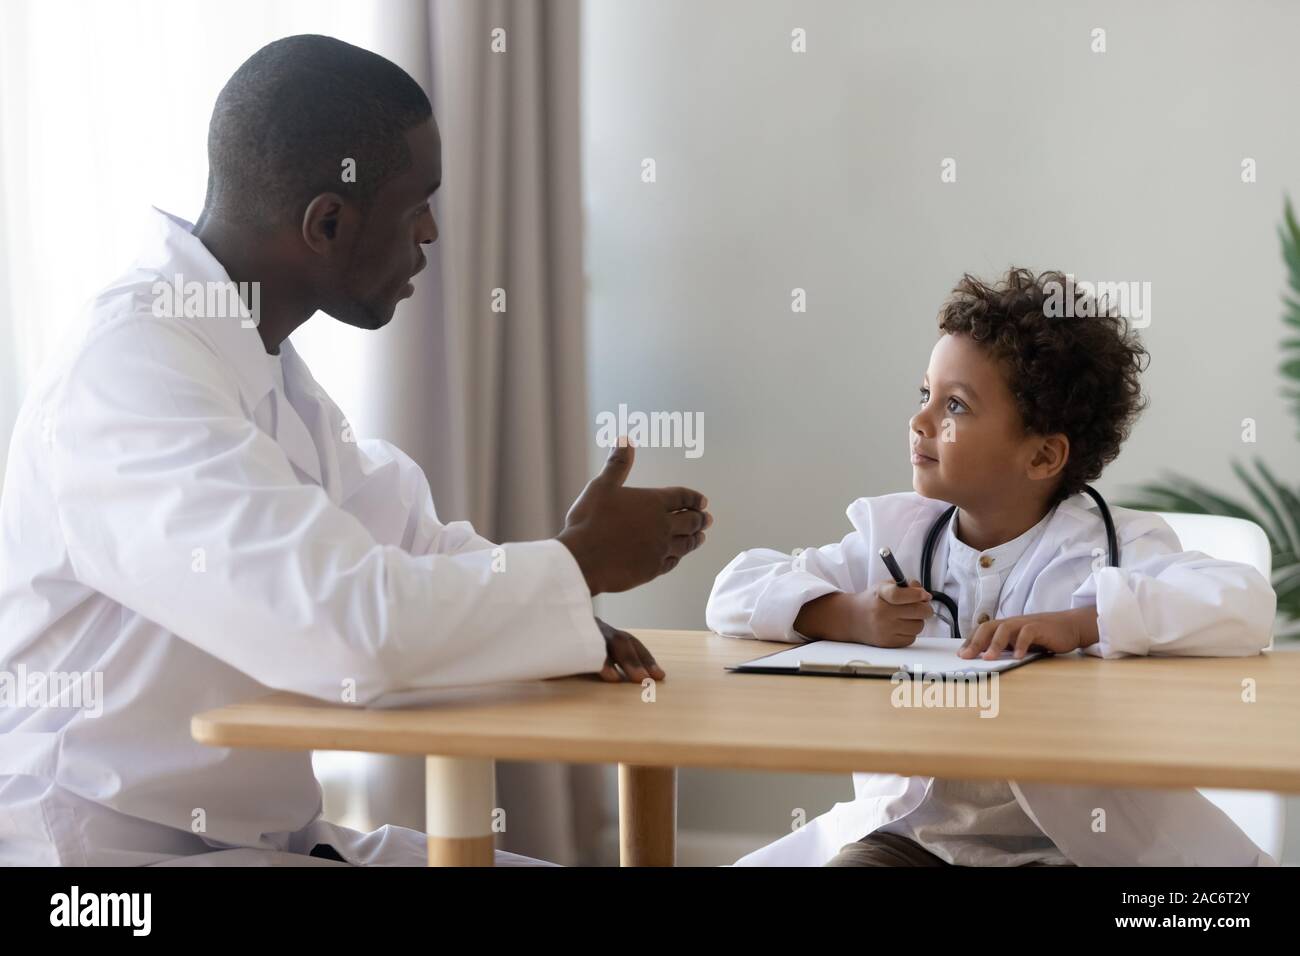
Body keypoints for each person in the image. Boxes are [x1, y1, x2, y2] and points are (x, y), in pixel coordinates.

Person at [0, 35, 711, 866]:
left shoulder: (253, 358)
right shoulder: (128, 372)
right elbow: (351, 628)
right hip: (102, 865)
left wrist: (568, 609)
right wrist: (572, 566)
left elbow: (405, 542)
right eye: (419, 206)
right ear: (327, 222)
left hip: (248, 842)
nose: (433, 233)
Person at [706, 267, 1276, 867]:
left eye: (955, 405)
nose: (921, 421)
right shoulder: (896, 537)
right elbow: (733, 591)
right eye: (923, 394)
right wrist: (842, 613)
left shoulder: (1110, 546)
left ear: (1042, 454)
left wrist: (1086, 623)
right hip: (911, 844)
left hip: (1070, 850)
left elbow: (1244, 603)